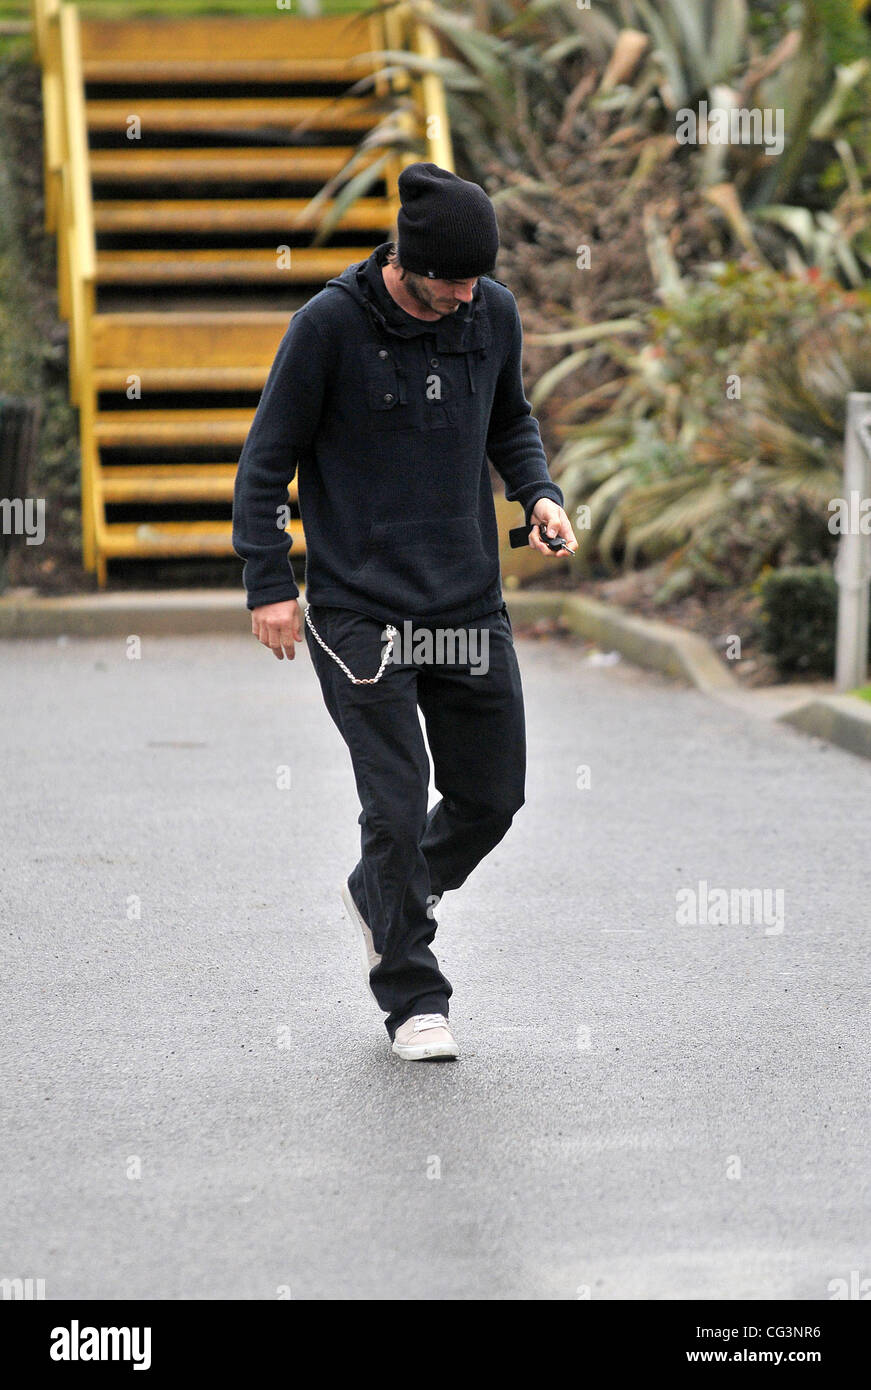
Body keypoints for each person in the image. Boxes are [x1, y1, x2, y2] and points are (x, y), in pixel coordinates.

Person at [232, 162, 576, 1060]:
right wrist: (269, 581)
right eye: (449, 282)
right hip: (360, 612)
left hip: (466, 598)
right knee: (394, 805)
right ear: (405, 262)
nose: (465, 297)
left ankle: (382, 891)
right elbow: (266, 461)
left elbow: (510, 420)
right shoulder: (329, 328)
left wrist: (536, 494)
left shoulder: (489, 312)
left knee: (491, 798)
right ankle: (414, 996)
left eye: (475, 280)